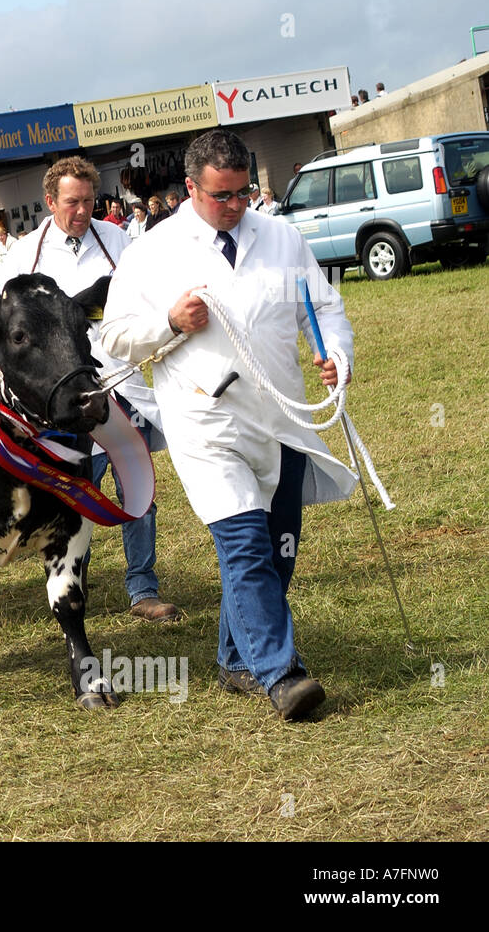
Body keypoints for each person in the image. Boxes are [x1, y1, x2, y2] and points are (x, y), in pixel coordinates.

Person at [101, 128, 357, 721]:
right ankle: (281, 674)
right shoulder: (153, 251)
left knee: (278, 552)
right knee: (244, 547)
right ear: (190, 188)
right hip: (205, 421)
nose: (238, 205)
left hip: (282, 419)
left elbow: (322, 306)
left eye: (244, 192)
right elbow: (113, 335)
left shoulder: (282, 237)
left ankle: (235, 660)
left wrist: (336, 355)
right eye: (223, 196)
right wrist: (168, 321)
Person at [0, 154, 178, 624]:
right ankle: (73, 586)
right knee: (74, 493)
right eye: (72, 202)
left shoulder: (118, 240)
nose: (82, 211)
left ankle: (143, 589)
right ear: (50, 201)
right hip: (60, 396)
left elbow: (146, 298)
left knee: (137, 490)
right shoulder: (24, 254)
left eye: (89, 201)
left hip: (119, 380)